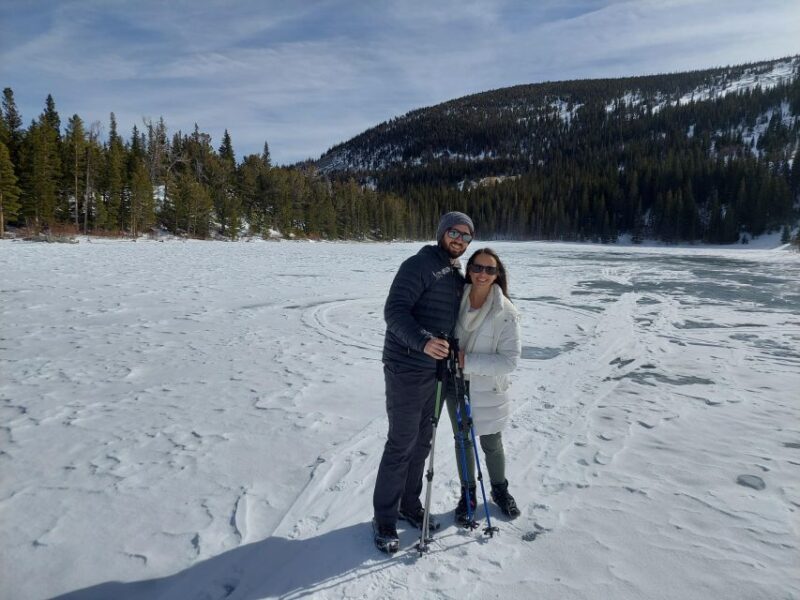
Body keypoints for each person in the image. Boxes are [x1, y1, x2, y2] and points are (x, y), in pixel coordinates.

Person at [372, 211, 475, 554]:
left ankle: (409, 503)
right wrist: (423, 341)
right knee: (401, 443)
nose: (460, 239)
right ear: (442, 232)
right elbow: (394, 311)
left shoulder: (453, 271)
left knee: (421, 443)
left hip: (435, 372)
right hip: (406, 367)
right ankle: (384, 518)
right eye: (454, 232)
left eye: (466, 235)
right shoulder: (419, 265)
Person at [446, 247, 521, 526]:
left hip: (488, 387)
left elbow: (509, 361)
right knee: (462, 439)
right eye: (477, 267)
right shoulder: (456, 298)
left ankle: (500, 490)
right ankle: (468, 494)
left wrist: (468, 361)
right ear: (469, 270)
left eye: (490, 269)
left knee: (491, 441)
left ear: (497, 274)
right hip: (455, 384)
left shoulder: (506, 313)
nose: (482, 274)